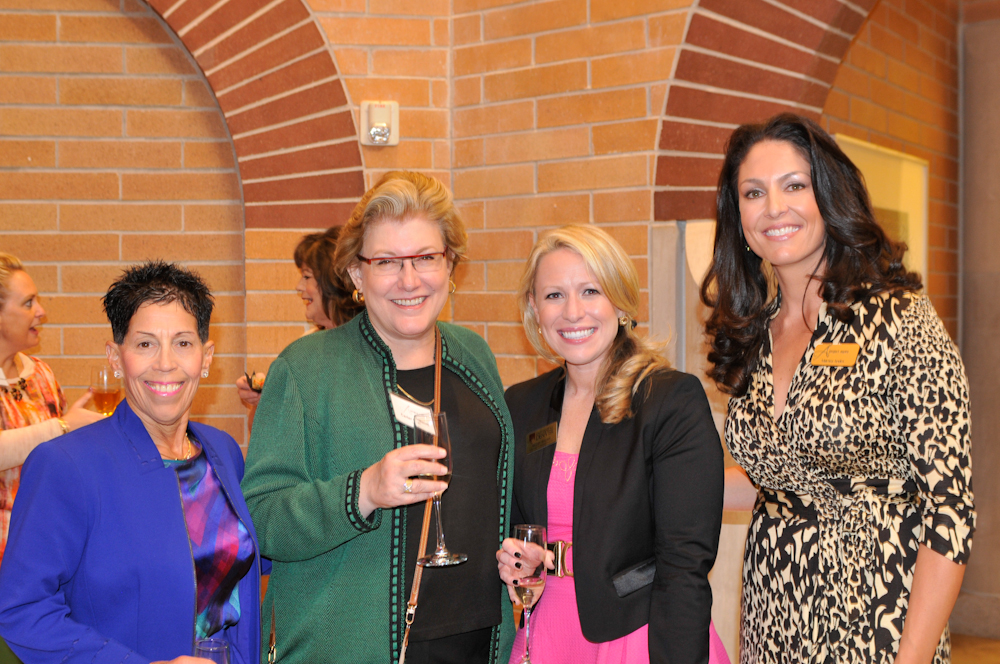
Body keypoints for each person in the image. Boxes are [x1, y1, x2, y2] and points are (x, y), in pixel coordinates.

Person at [701, 113, 974, 664]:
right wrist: (649, 478)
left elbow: (949, 508)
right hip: (773, 615)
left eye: (794, 185)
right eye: (754, 193)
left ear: (829, 196)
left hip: (877, 619)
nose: (773, 207)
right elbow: (779, 477)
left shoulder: (898, 318)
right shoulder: (753, 333)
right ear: (739, 217)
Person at [241, 171, 515, 664]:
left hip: (477, 643)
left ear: (450, 264)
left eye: (426, 258)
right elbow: (261, 519)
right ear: (356, 275)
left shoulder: (475, 356)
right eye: (386, 262)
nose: (409, 280)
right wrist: (363, 491)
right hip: (348, 648)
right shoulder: (306, 370)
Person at [0, 262, 263, 664]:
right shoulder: (65, 465)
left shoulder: (222, 452)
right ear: (115, 357)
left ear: (206, 357)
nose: (165, 363)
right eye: (144, 344)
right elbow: (21, 609)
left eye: (183, 343)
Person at [497, 225, 728, 664]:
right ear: (534, 309)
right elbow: (518, 523)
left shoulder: (669, 400)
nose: (572, 312)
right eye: (553, 296)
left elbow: (684, 566)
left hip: (639, 634)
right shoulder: (522, 403)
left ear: (619, 301)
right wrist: (518, 558)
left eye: (590, 291)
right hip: (547, 630)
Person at [0, 252, 103, 565]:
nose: (41, 312)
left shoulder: (41, 374)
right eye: (28, 303)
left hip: (43, 549)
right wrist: (62, 427)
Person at [235, 226, 359, 409]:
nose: (298, 286)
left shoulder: (369, 344)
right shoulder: (305, 348)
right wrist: (266, 399)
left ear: (332, 281)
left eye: (306, 276)